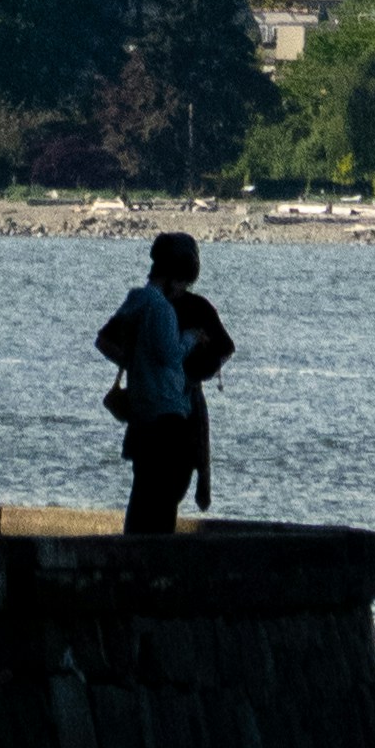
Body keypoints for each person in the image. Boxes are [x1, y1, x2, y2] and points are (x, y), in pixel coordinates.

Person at [95, 228, 233, 535]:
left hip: (146, 408)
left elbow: (104, 341)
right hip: (174, 413)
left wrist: (137, 365)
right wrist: (186, 373)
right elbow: (223, 350)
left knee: (147, 486)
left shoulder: (140, 302)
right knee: (165, 488)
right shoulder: (180, 308)